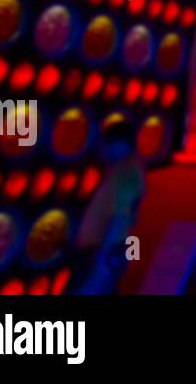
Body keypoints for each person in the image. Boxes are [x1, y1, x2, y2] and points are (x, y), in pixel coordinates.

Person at [72, 121, 146, 294]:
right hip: (107, 251)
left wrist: (102, 258)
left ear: (121, 144)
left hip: (106, 252)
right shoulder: (122, 171)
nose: (103, 149)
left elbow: (120, 218)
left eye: (107, 144)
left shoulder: (126, 175)